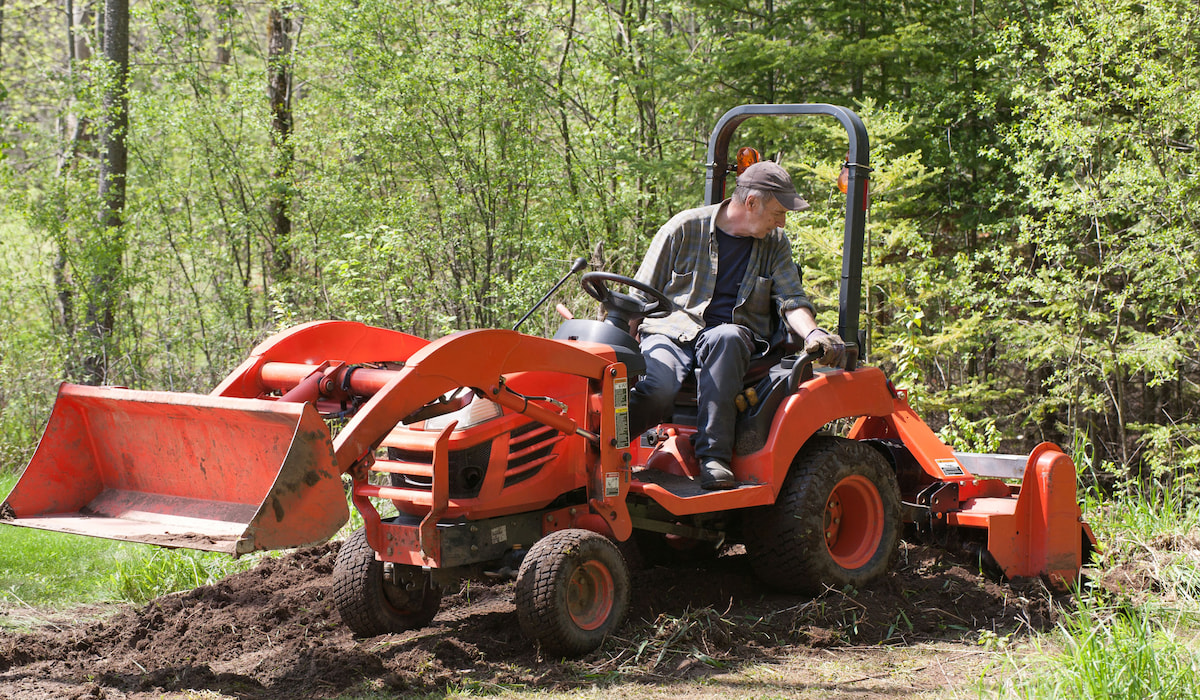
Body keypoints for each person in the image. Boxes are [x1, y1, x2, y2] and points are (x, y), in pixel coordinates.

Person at [628, 161, 845, 490]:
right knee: (658, 389)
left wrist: (814, 333)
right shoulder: (684, 228)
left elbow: (791, 300)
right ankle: (601, 442)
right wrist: (620, 349)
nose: (782, 221)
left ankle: (713, 457)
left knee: (728, 336)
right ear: (752, 203)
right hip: (670, 333)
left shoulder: (774, 244)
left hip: (730, 342)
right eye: (778, 212)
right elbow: (636, 298)